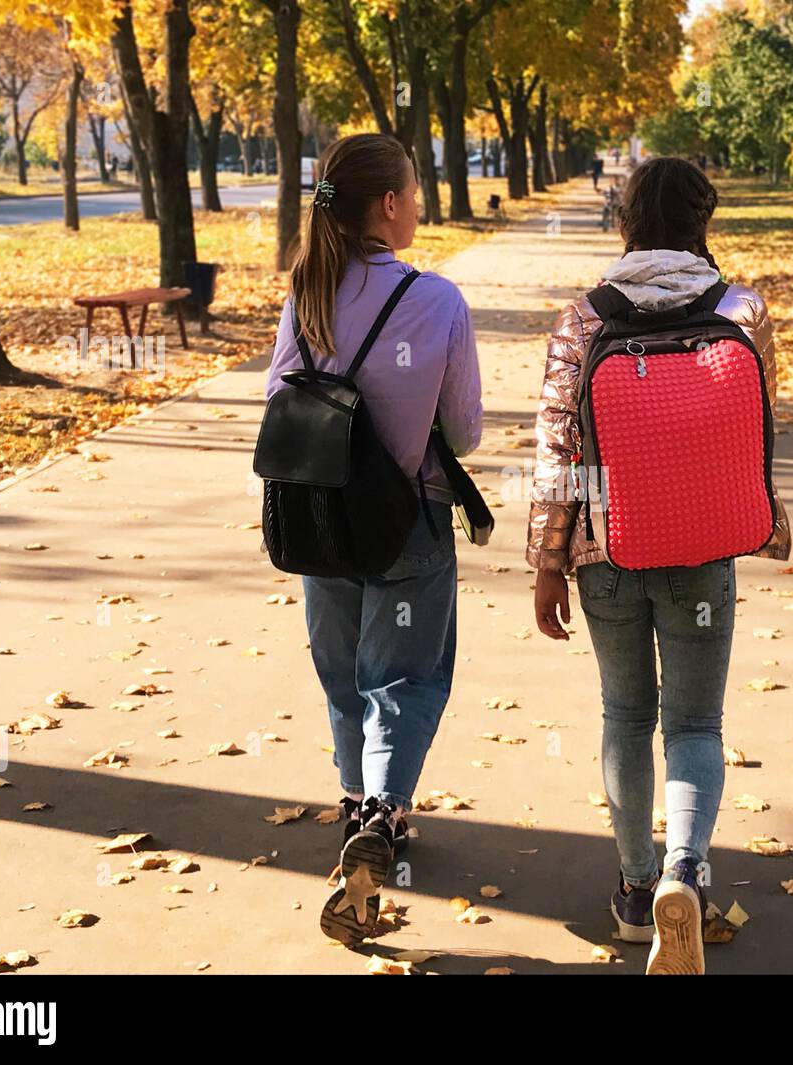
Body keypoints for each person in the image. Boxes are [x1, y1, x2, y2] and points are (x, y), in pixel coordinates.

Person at [527, 157, 790, 975]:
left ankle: (638, 890)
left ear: (624, 222)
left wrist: (546, 558)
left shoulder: (583, 319)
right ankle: (687, 873)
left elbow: (557, 452)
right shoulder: (742, 311)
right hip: (705, 549)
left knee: (626, 715)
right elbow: (761, 423)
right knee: (697, 724)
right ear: (703, 221)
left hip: (606, 548)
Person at [265, 132, 483, 946]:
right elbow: (462, 432)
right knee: (408, 677)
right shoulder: (438, 302)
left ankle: (357, 802)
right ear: (388, 205)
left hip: (323, 520)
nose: (420, 204)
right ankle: (384, 820)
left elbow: (279, 395)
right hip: (408, 521)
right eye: (415, 191)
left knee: (344, 672)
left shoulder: (307, 290)